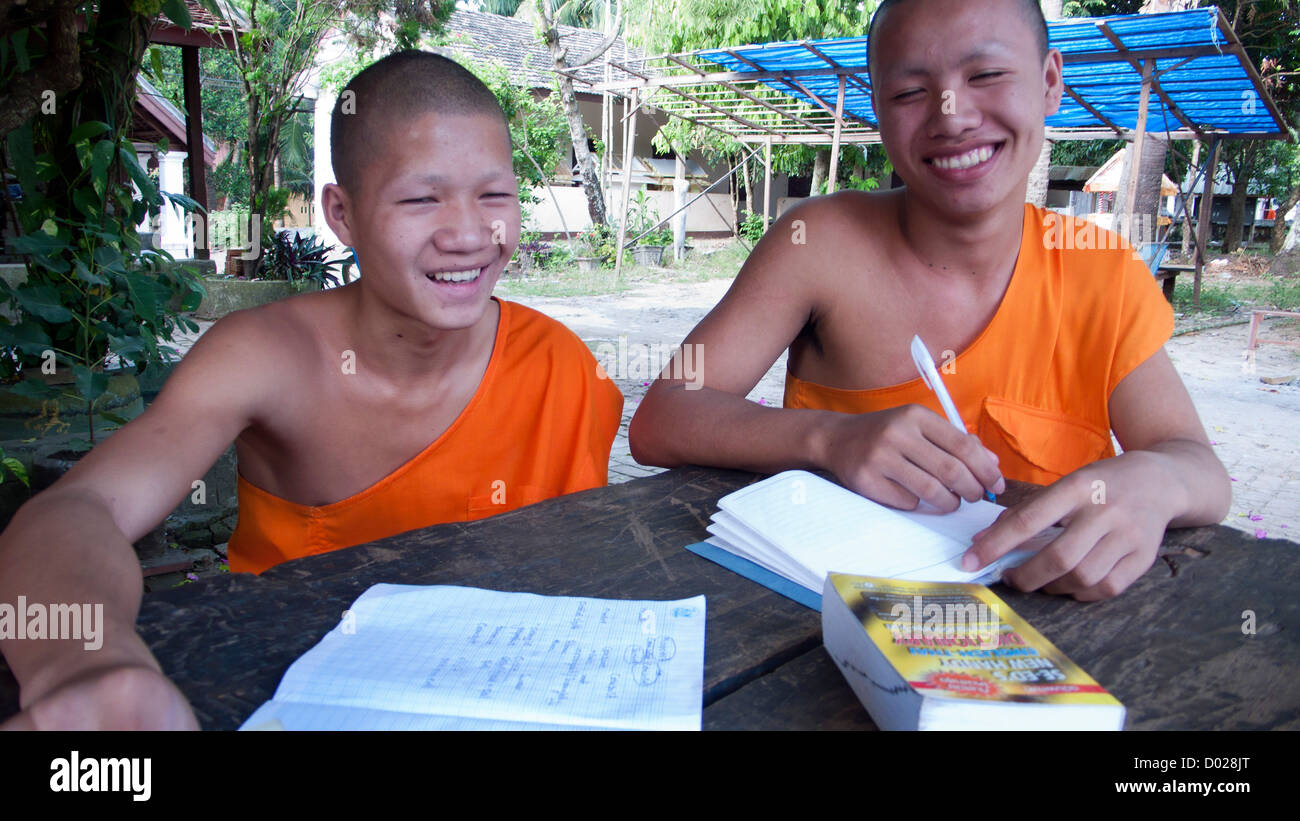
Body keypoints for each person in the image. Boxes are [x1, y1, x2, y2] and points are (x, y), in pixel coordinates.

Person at [0, 51, 623, 729]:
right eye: (421, 198)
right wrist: (86, 664)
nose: (469, 234)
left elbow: (579, 573)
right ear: (342, 213)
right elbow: (78, 510)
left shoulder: (557, 362)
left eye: (495, 195)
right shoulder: (269, 356)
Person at [629, 0, 1230, 602]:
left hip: (1052, 619)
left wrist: (1155, 479)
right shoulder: (817, 244)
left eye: (987, 75)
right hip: (824, 624)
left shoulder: (1102, 270)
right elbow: (662, 419)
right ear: (878, 108)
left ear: (1050, 83)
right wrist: (831, 439)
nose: (952, 117)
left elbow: (1197, 467)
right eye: (909, 91)